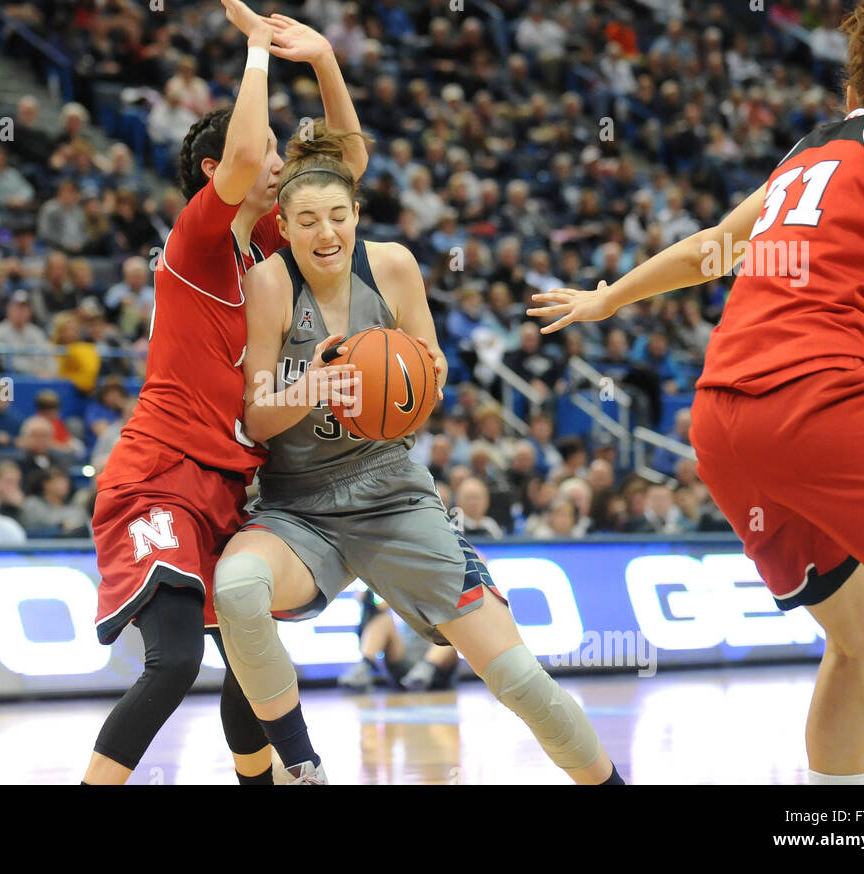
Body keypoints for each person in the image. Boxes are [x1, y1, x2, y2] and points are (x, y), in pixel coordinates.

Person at [528, 0, 864, 785]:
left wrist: (605, 297)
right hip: (817, 394)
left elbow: (711, 248)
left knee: (862, 636)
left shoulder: (803, 155)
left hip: (724, 417)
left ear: (846, 94)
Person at [212, 123, 622, 785]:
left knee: (519, 677)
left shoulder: (394, 265)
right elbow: (256, 417)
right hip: (299, 505)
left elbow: (428, 381)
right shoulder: (267, 284)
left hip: (393, 490)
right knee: (236, 590)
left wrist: (425, 375)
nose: (327, 233)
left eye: (339, 217)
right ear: (283, 226)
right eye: (308, 220)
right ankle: (301, 764)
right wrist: (309, 385)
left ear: (356, 217)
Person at [84, 0, 367, 786]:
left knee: (249, 658)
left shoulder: (269, 251)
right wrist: (254, 53)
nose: (280, 162)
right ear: (216, 175)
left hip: (231, 486)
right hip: (162, 477)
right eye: (271, 151)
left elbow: (345, 171)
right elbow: (244, 152)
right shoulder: (195, 239)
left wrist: (324, 62)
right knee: (173, 665)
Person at [338, 592, 461, 693]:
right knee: (383, 620)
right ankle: (363, 668)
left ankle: (425, 669)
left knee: (450, 629)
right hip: (404, 659)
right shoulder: (398, 587)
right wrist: (368, 599)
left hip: (438, 663)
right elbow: (379, 605)